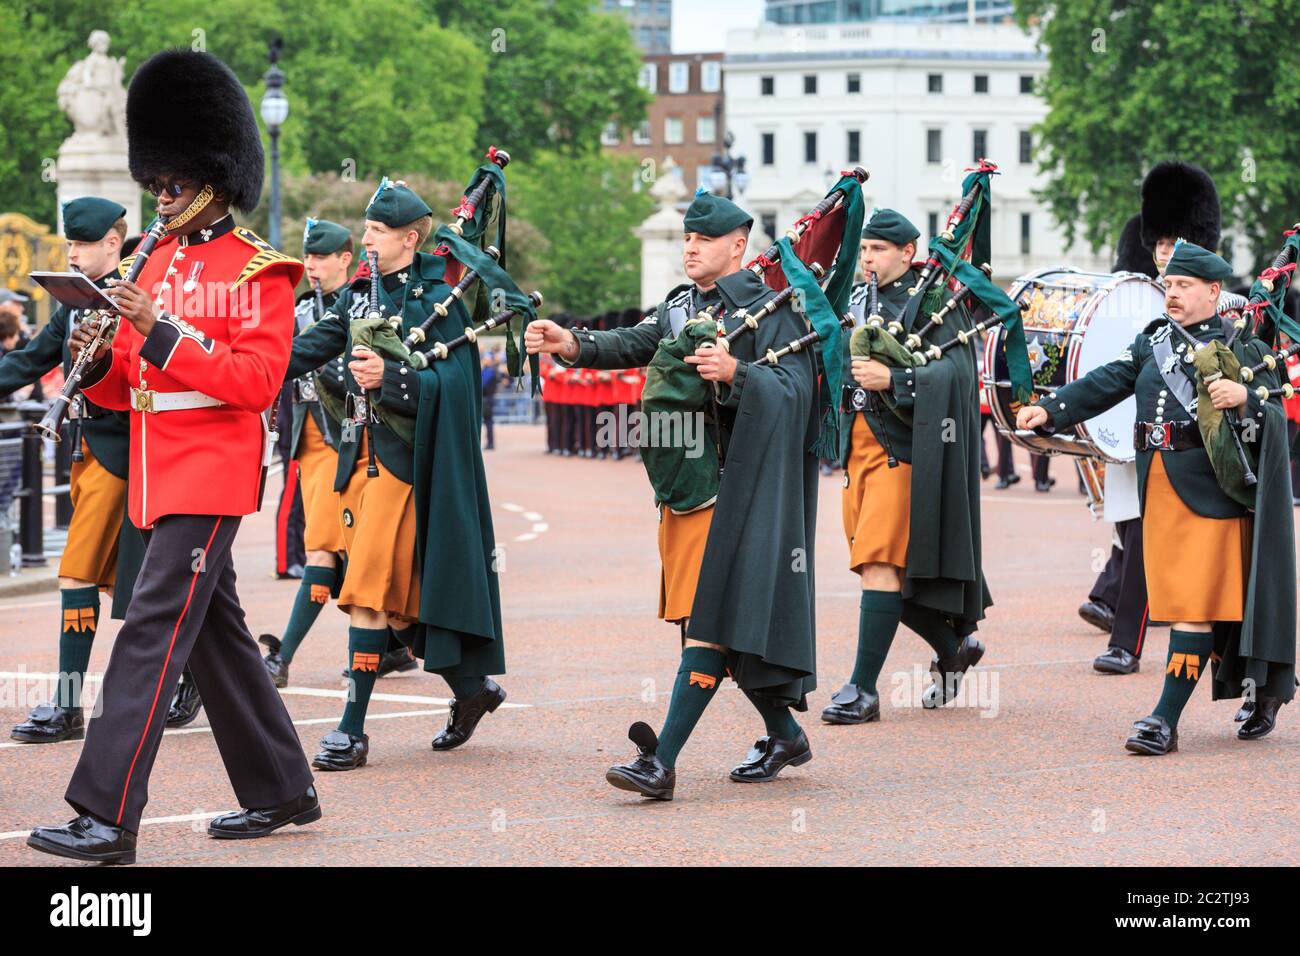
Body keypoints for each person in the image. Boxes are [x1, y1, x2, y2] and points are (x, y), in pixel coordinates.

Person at [27, 50, 318, 864]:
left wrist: (156, 330)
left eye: (172, 184)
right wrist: (91, 360)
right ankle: (282, 788)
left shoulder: (262, 271)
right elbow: (130, 387)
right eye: (154, 184)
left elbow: (256, 382)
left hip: (211, 475)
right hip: (158, 474)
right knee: (218, 635)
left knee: (149, 632)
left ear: (213, 181)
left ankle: (106, 816)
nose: (159, 198)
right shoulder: (151, 259)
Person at [527, 190, 821, 800]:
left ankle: (660, 762)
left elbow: (797, 394)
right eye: (687, 237)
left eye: (704, 239)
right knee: (710, 619)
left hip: (741, 491)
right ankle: (785, 734)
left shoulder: (773, 310)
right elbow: (633, 342)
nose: (690, 247)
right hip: (684, 486)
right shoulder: (680, 304)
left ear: (738, 246)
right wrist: (570, 343)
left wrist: (740, 376)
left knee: (708, 624)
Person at [1017, 240, 1296, 754]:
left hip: (1214, 490)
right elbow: (1110, 380)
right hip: (1160, 487)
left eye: (1183, 286)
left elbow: (1280, 414)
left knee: (1195, 605)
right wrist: (1052, 408)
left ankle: (1163, 720)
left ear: (1213, 291)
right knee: (1201, 603)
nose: (1172, 294)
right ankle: (1264, 687)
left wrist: (1248, 399)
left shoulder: (1244, 345)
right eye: (1168, 285)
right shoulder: (1153, 341)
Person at [284, 177, 508, 771]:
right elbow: (312, 347)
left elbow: (458, 386)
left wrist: (397, 380)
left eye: (378, 230)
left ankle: (351, 731)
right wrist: (244, 371)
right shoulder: (358, 293)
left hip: (410, 459)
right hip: (357, 454)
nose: (367, 238)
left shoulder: (443, 294)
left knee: (365, 591)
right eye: (366, 228)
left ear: (412, 238)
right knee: (400, 597)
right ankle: (471, 690)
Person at [821, 209, 990, 726]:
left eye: (878, 250)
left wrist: (895, 380)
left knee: (879, 565)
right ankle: (953, 648)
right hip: (858, 449)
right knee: (880, 573)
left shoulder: (934, 302)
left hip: (904, 450)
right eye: (865, 249)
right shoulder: (854, 299)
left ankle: (862, 690)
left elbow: (958, 373)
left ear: (907, 253)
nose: (867, 259)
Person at [2, 198, 148, 744]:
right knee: (144, 585)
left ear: (112, 243)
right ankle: (189, 675)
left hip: (121, 449)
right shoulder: (72, 304)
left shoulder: (131, 298)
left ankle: (67, 705)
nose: (71, 252)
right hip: (85, 451)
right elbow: (29, 360)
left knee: (78, 571)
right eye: (70, 244)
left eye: (81, 244)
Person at [1086, 161, 1222, 676]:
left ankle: (1253, 667)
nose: (1164, 253)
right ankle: (1126, 641)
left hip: (1199, 456)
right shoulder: (1131, 302)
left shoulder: (1220, 307)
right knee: (1137, 535)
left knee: (1216, 565)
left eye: (1175, 243)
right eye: (1160, 244)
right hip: (1142, 440)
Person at [259, 218, 404, 687]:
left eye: (321, 257)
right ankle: (396, 647)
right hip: (309, 439)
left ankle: (284, 656)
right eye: (308, 257)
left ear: (346, 259)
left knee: (333, 550)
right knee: (334, 549)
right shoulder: (299, 307)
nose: (312, 266)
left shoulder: (366, 305)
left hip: (349, 437)